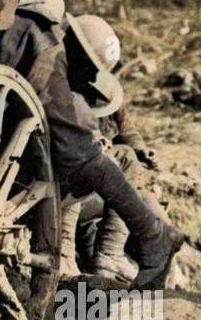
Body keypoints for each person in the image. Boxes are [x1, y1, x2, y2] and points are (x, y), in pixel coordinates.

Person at [0, 0, 185, 291]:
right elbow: (78, 151)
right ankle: (147, 237)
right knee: (85, 160)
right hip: (9, 184)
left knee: (104, 160)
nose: (90, 78)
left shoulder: (15, 37)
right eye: (89, 69)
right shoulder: (44, 50)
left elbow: (122, 129)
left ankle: (125, 246)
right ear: (74, 46)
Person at [58, 14, 160, 284]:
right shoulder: (67, 92)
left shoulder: (96, 92)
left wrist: (139, 149)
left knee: (129, 170)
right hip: (66, 182)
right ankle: (84, 254)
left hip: (84, 182)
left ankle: (102, 256)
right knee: (105, 165)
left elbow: (128, 129)